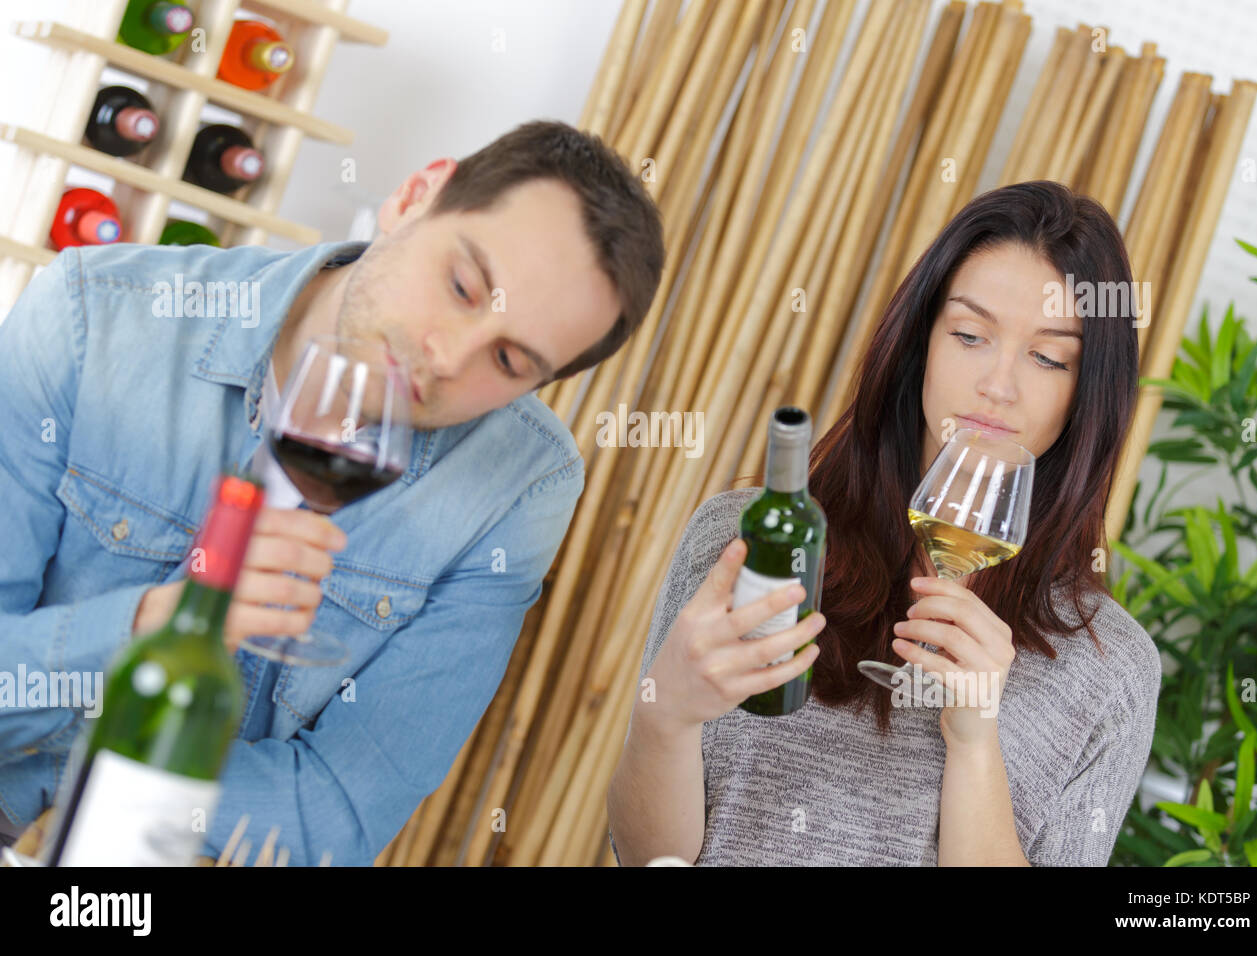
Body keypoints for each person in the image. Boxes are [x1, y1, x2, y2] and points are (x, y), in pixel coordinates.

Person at [0, 120, 665, 864]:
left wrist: (85, 761)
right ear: (416, 196)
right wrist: (149, 631)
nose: (443, 358)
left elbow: (336, 815)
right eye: (462, 286)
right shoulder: (92, 315)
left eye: (507, 359)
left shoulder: (517, 486)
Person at [607, 180, 1161, 866]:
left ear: (1090, 393)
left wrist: (974, 741)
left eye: (1049, 357)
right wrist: (665, 718)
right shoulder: (749, 543)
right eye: (969, 334)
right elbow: (644, 858)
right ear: (919, 343)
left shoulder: (1110, 672)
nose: (999, 384)